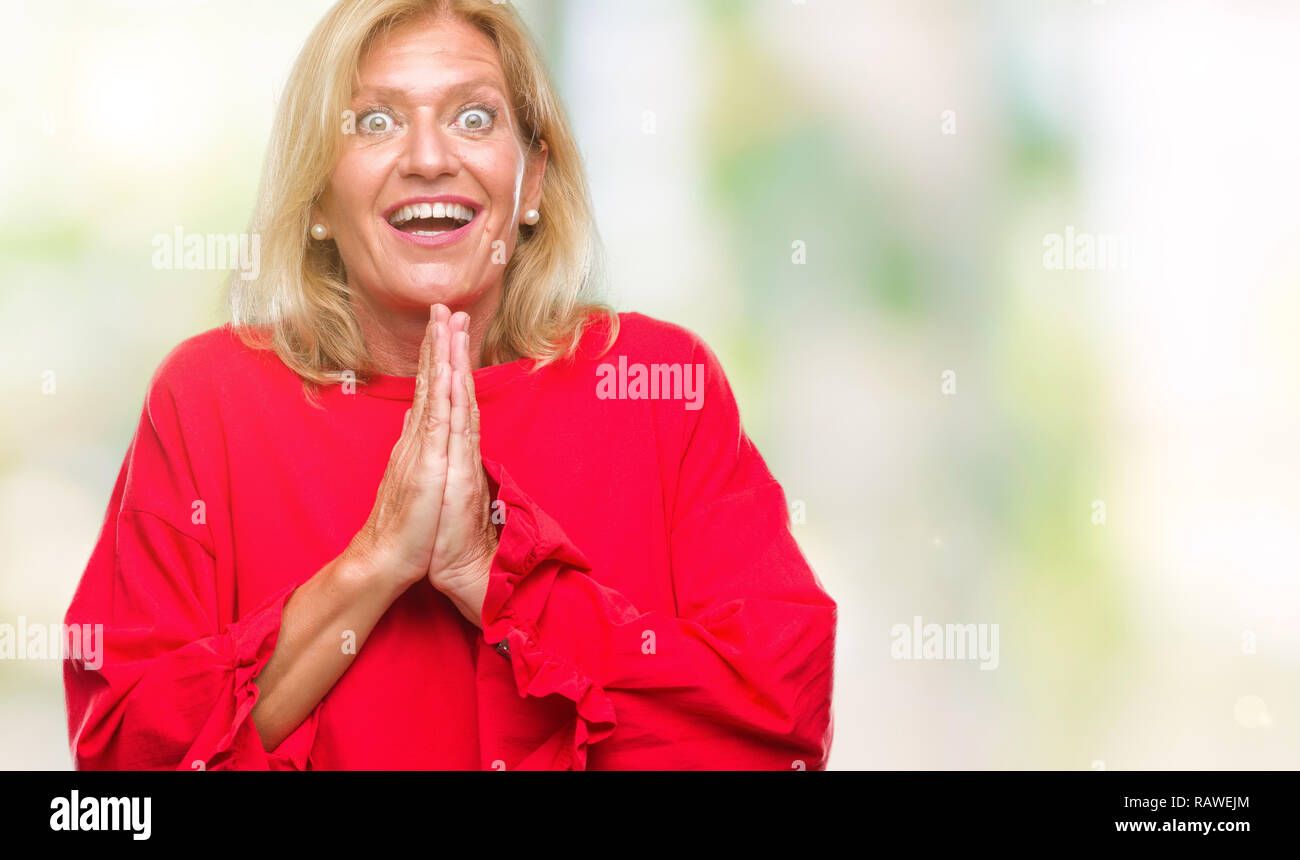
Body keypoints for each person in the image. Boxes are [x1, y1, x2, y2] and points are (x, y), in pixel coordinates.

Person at [63, 0, 836, 770]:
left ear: (533, 178)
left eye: (473, 118)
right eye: (373, 122)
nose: (429, 157)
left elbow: (779, 723)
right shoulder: (210, 400)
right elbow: (129, 765)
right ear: (320, 195)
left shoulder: (660, 385)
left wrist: (496, 579)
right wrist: (373, 563)